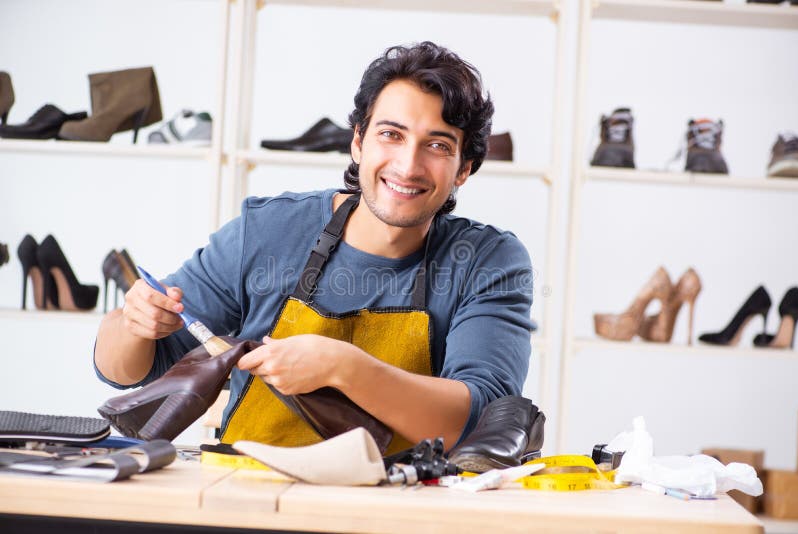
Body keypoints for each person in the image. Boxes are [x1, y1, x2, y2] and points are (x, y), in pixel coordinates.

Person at [94, 41, 535, 453]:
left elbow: (482, 419)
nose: (408, 164)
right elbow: (127, 372)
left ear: (464, 169)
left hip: (401, 506)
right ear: (358, 143)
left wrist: (347, 369)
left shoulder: (488, 262)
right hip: (246, 495)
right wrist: (133, 324)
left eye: (437, 145)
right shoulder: (268, 231)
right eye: (391, 135)